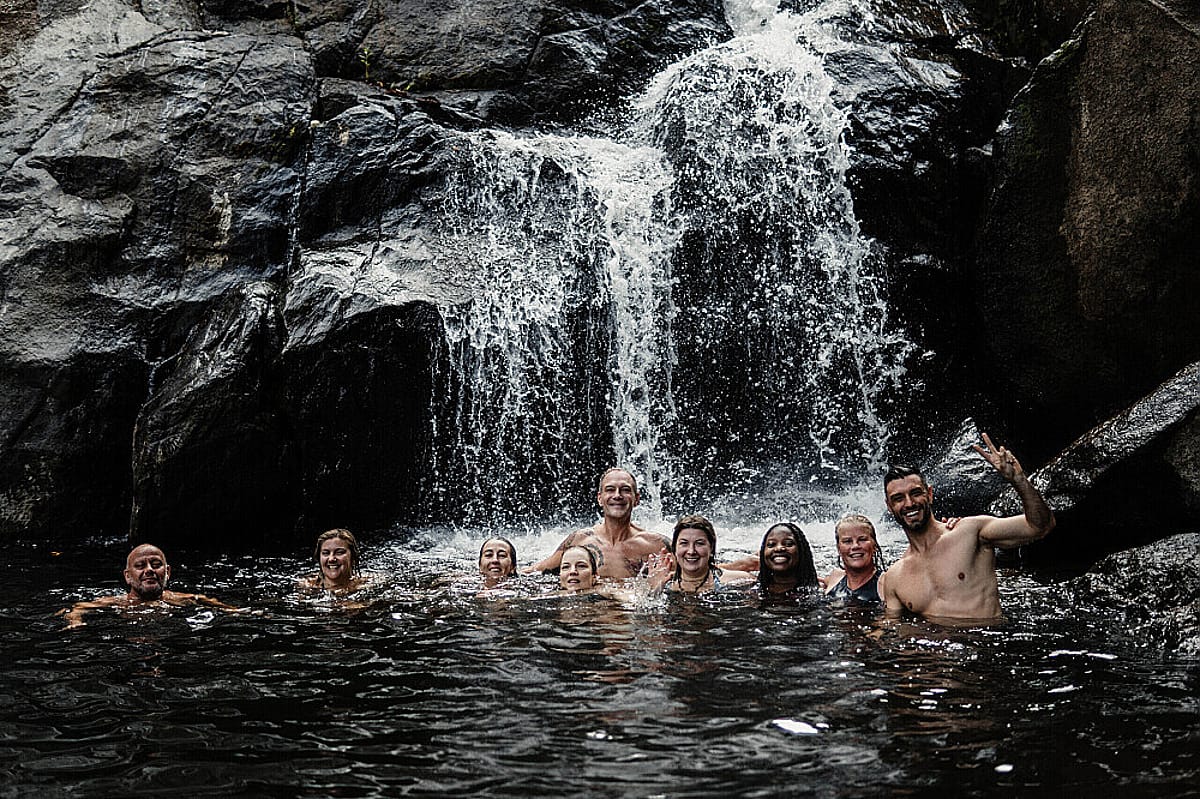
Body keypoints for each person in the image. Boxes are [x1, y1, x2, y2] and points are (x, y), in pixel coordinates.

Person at [878, 433, 1056, 621]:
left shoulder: (970, 532)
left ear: (929, 494)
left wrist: (1018, 480)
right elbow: (893, 630)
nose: (909, 503)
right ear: (890, 507)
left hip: (986, 644)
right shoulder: (895, 577)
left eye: (915, 493)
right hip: (934, 649)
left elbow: (1040, 526)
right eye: (898, 498)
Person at [530, 468, 668, 579]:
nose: (617, 495)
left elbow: (686, 577)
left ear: (636, 499)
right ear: (600, 498)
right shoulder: (580, 539)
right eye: (610, 490)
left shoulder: (656, 545)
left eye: (625, 490)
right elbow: (536, 571)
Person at [59, 543, 237, 629]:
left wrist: (236, 611)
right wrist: (75, 622)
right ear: (128, 577)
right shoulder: (116, 602)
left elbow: (209, 601)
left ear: (167, 572)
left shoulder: (180, 599)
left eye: (156, 564)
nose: (149, 570)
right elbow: (77, 608)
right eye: (140, 566)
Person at [651, 514, 754, 594]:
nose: (691, 551)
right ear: (675, 549)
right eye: (684, 543)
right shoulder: (664, 585)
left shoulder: (740, 581)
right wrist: (655, 589)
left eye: (699, 543)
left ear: (711, 547)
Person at [822, 514, 885, 603]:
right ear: (839, 548)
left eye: (862, 539)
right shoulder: (835, 577)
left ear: (874, 545)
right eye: (847, 541)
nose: (855, 546)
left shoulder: (885, 583)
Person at [756, 522, 819, 596]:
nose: (779, 548)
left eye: (788, 544)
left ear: (801, 551)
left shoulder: (817, 591)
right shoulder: (753, 588)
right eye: (771, 544)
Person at [300, 529, 369, 593]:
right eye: (326, 553)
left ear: (353, 557)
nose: (331, 559)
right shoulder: (307, 587)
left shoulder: (368, 585)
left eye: (339, 552)